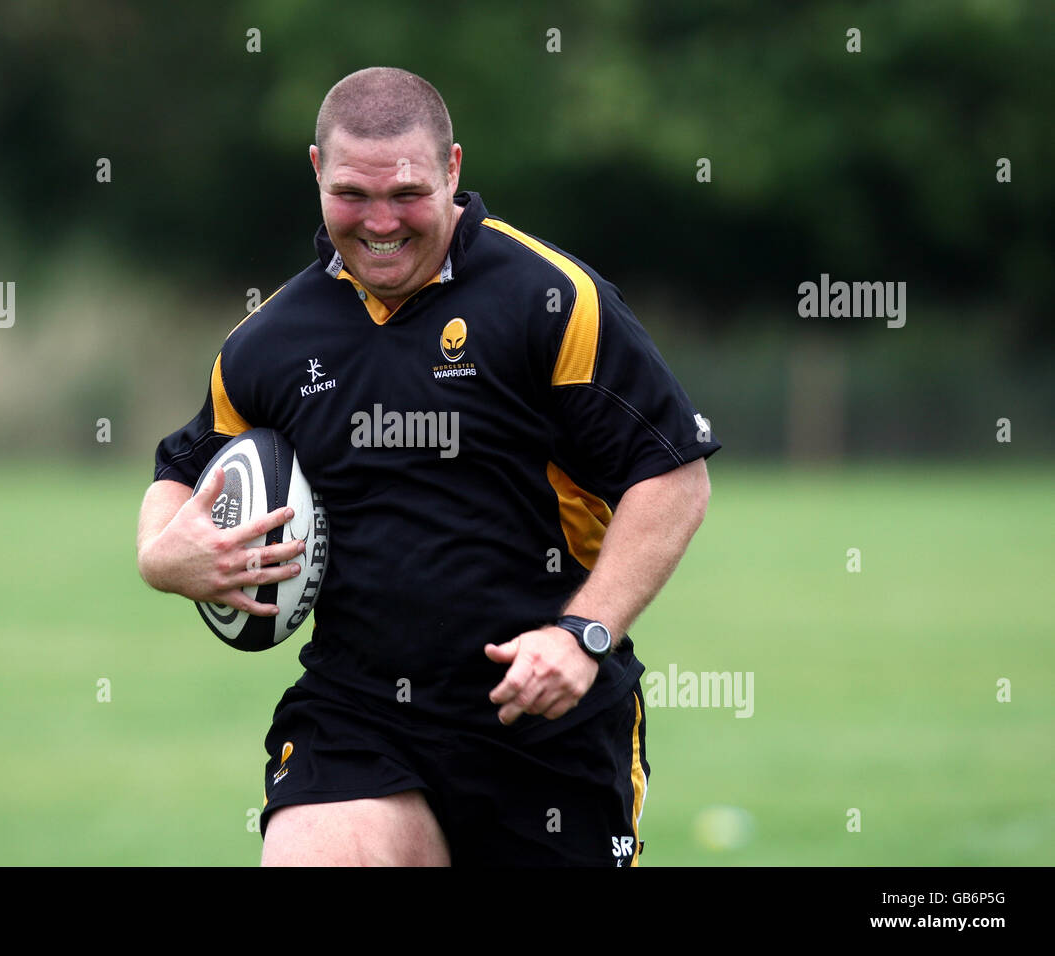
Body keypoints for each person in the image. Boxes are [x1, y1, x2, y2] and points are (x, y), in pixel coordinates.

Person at [136, 67, 719, 866]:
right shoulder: (269, 341)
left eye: (406, 193)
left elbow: (673, 476)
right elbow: (183, 469)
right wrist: (162, 555)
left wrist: (584, 635)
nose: (380, 223)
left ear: (452, 170)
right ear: (316, 171)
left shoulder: (551, 301)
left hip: (545, 728)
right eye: (352, 194)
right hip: (360, 714)